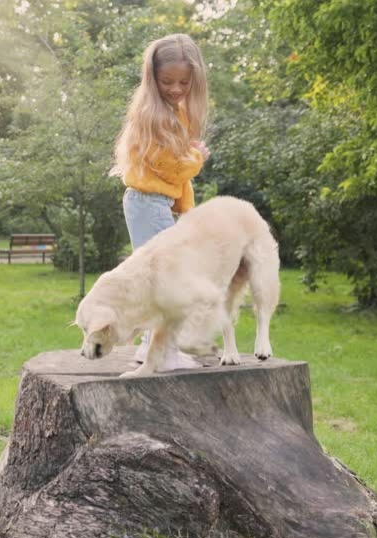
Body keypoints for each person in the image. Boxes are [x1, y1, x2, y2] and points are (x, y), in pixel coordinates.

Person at [110, 33, 210, 369]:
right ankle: (161, 352)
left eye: (184, 81)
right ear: (152, 78)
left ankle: (152, 347)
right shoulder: (153, 113)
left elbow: (175, 176)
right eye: (167, 81)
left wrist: (183, 208)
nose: (177, 88)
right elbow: (171, 168)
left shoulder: (175, 111)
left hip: (154, 205)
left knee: (162, 278)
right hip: (147, 203)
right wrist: (196, 160)